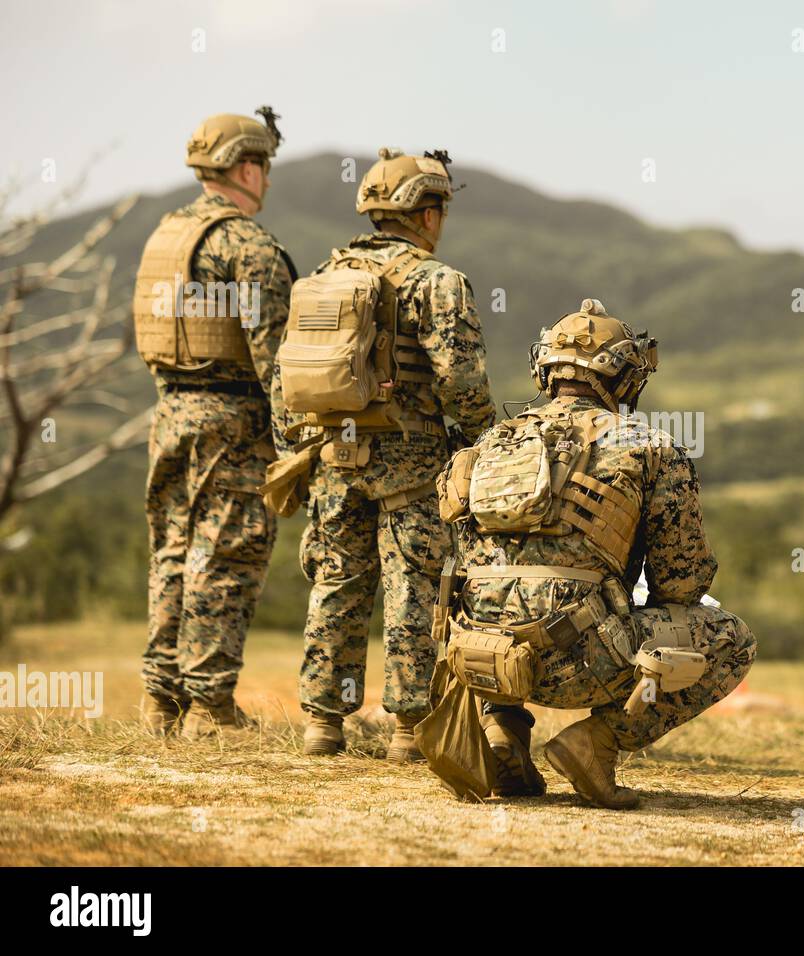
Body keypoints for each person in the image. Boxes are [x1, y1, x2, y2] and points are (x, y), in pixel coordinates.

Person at [431, 298, 756, 808]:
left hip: (479, 657)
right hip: (583, 663)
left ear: (545, 371)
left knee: (496, 594)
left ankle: (502, 735)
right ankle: (596, 743)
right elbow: (683, 583)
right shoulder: (649, 447)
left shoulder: (490, 443)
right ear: (625, 377)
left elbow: (467, 564)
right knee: (729, 637)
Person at [284, 148, 496, 761]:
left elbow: (285, 379)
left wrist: (298, 450)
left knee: (337, 582)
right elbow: (462, 381)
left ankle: (323, 723)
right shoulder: (439, 282)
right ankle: (408, 731)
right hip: (411, 461)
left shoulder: (323, 278)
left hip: (334, 457)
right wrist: (483, 441)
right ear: (427, 213)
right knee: (413, 589)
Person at [134, 108, 294, 738]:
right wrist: (297, 442)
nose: (269, 183)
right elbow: (275, 361)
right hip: (233, 419)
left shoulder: (164, 237)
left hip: (171, 409)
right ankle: (209, 707)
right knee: (225, 552)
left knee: (174, 547)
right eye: (265, 167)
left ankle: (160, 699)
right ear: (245, 166)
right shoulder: (248, 246)